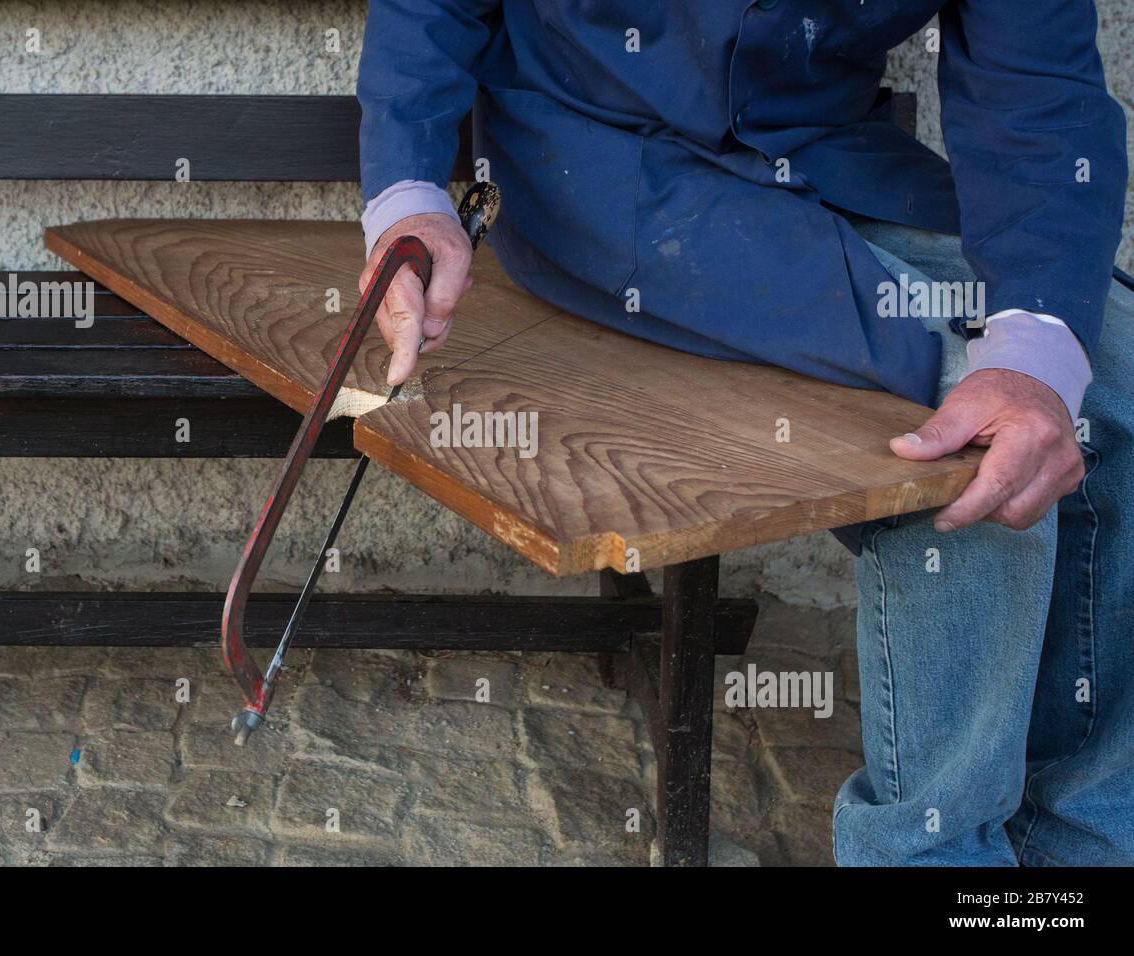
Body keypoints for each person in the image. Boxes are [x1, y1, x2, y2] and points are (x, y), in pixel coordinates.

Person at [355, 2, 1131, 865]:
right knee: (969, 426)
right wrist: (409, 194)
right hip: (606, 175)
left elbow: (1038, 87)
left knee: (1105, 370)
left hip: (832, 163)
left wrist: (1034, 349)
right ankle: (937, 859)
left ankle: (1085, 847)